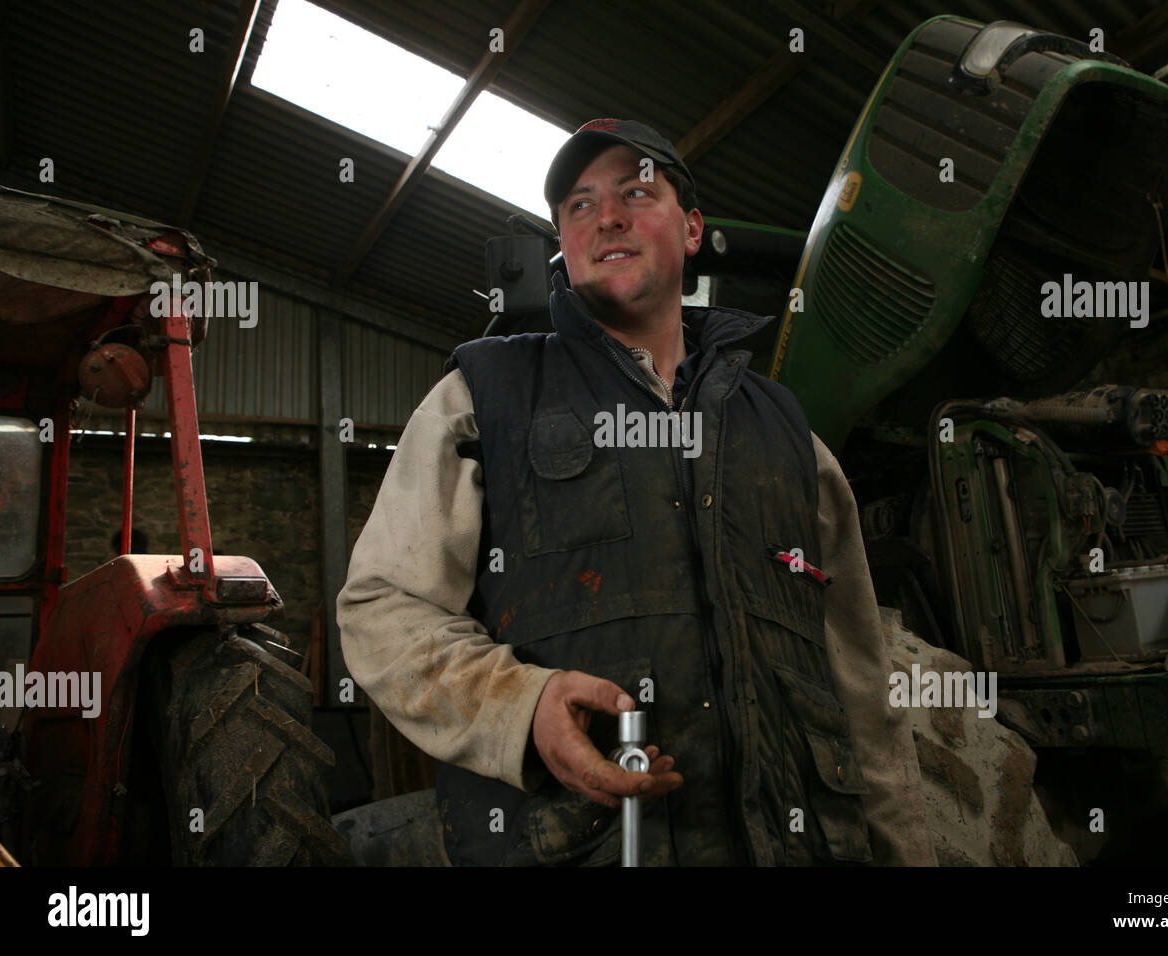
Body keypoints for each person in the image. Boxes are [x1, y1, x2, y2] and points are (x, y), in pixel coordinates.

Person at [337, 118, 935, 866]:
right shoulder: (481, 399)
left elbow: (861, 685)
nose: (607, 215)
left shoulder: (788, 435)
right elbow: (381, 607)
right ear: (564, 241)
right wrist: (518, 707)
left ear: (690, 229)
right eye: (580, 204)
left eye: (635, 191)